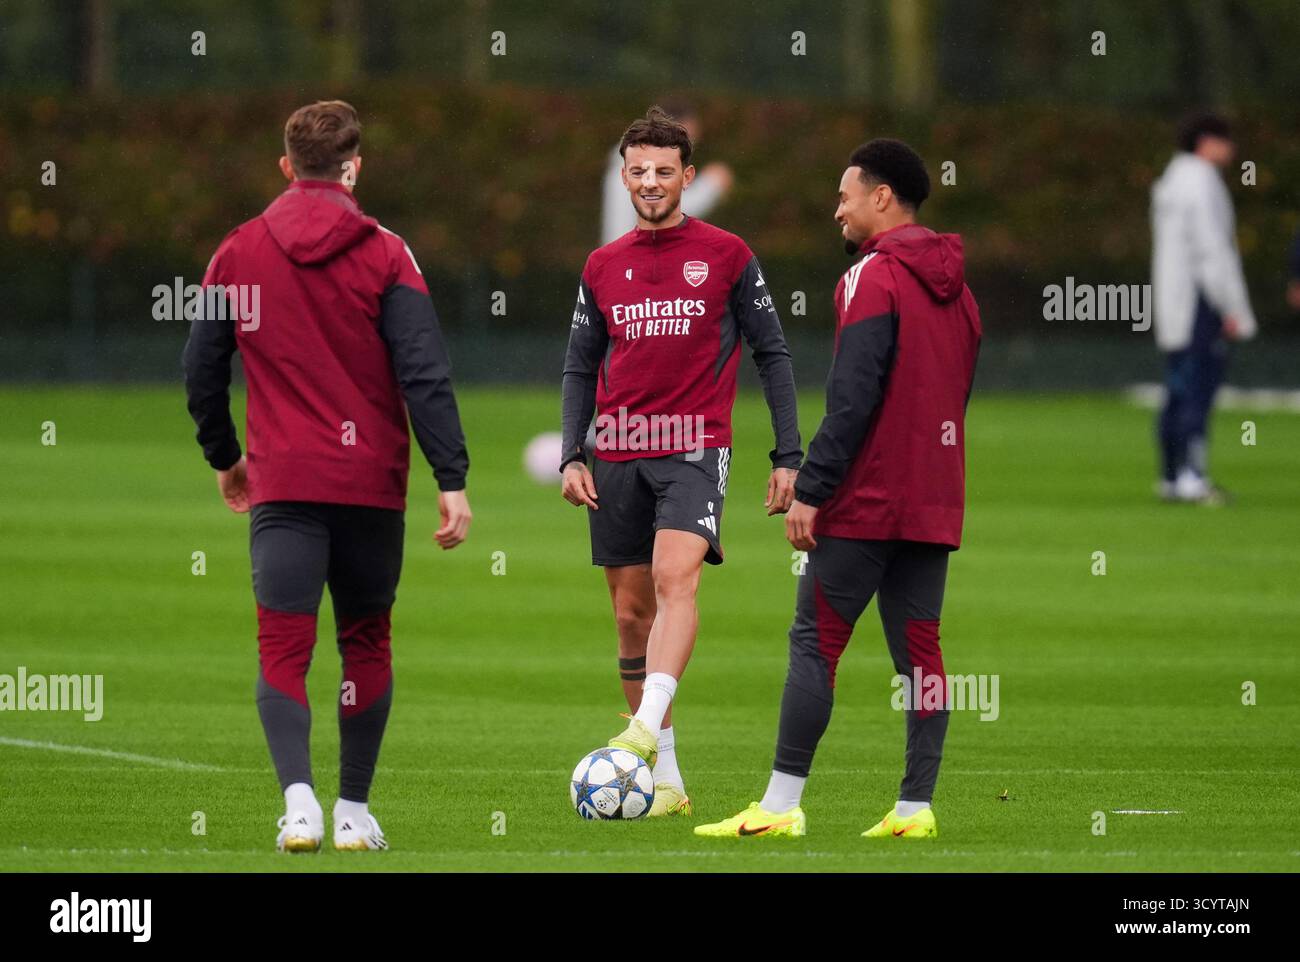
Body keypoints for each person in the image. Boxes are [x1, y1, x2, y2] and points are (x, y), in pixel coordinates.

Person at [183, 100, 471, 853]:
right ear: (355, 166)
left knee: (283, 648)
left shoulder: (239, 251)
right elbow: (425, 374)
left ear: (286, 167)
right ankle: (352, 811)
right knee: (366, 641)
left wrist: (225, 457)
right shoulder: (386, 252)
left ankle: (299, 803)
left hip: (282, 484)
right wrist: (452, 475)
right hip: (370, 487)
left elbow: (200, 369)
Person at [695, 139, 981, 839]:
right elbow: (955, 395)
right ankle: (916, 809)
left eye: (846, 196)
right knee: (922, 652)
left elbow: (853, 397)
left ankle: (781, 805)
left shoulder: (871, 279)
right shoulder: (963, 292)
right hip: (933, 497)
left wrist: (813, 489)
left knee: (815, 644)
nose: (837, 211)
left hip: (865, 501)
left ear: (882, 197)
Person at [561, 106, 802, 816]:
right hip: (616, 452)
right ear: (626, 177)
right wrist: (574, 450)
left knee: (675, 577)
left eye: (665, 172)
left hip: (695, 447)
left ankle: (637, 730)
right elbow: (580, 365)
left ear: (687, 177)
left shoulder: (728, 255)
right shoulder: (602, 265)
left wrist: (788, 453)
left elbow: (773, 353)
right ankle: (664, 780)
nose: (651, 183)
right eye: (639, 172)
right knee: (631, 614)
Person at [1151, 112, 1257, 504]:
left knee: (1177, 390)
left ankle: (1170, 476)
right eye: (1225, 140)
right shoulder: (1201, 183)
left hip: (1175, 302)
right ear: (1206, 142)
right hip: (1200, 302)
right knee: (1196, 391)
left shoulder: (1172, 179)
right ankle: (1192, 477)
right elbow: (1213, 253)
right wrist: (1234, 308)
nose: (1231, 149)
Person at [599, 100, 733, 245]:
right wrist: (712, 184)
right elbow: (671, 210)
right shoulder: (644, 161)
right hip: (635, 258)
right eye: (687, 137)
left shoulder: (631, 157)